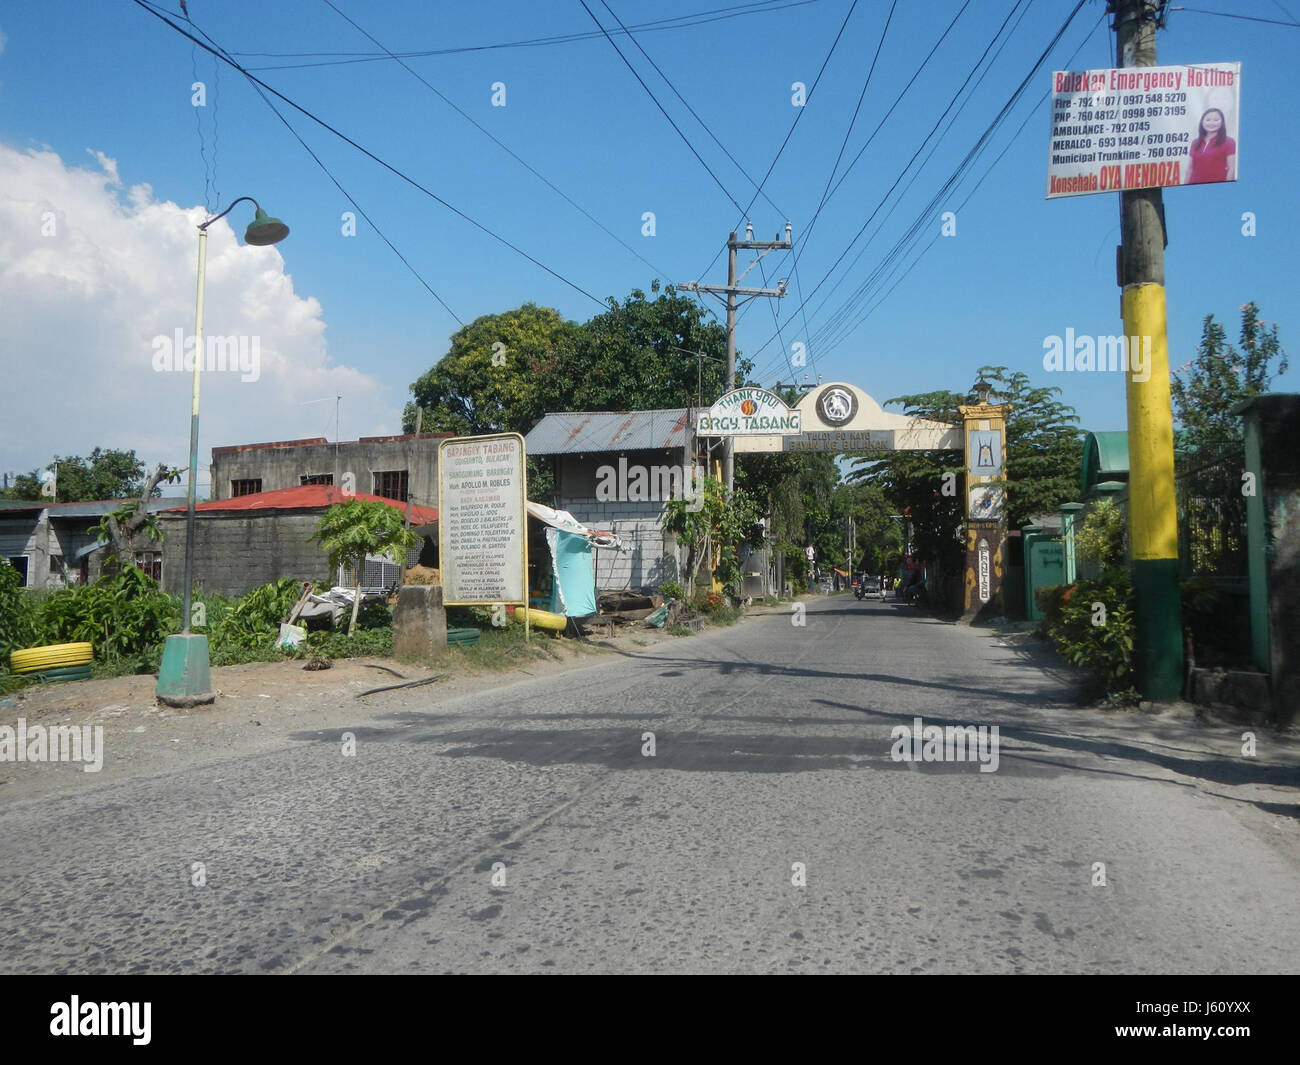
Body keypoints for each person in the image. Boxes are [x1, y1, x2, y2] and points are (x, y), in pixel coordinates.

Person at [1186, 108, 1236, 185]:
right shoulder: (1195, 142)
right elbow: (1190, 169)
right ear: (1202, 122)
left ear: (1222, 122)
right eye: (1208, 120)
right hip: (1194, 186)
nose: (1212, 123)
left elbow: (1231, 168)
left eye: (1216, 120)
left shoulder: (1229, 142)